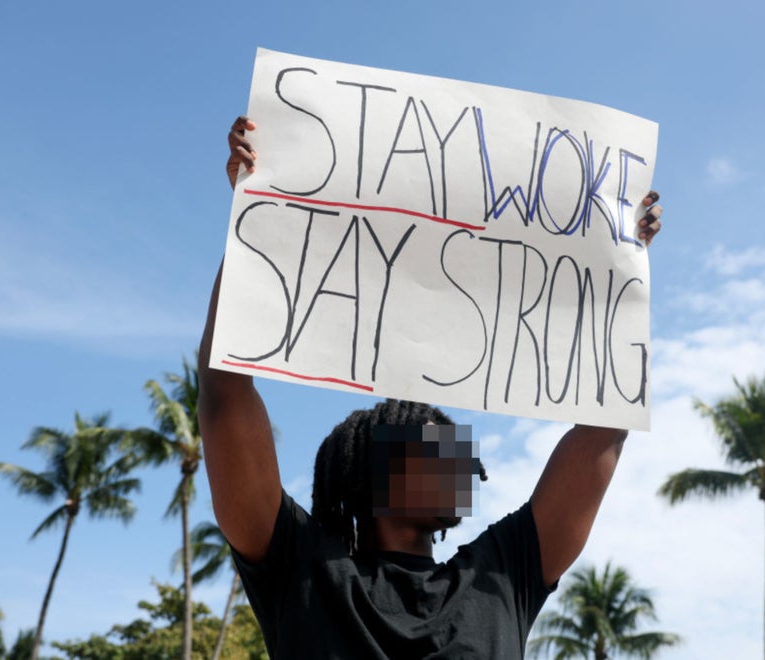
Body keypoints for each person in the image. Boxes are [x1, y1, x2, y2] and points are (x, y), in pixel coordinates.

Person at [198, 116, 664, 659]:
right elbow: (223, 391)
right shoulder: (300, 568)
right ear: (367, 473)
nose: (456, 456)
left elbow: (607, 421)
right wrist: (254, 212)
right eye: (427, 444)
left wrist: (618, 263)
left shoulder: (503, 574)